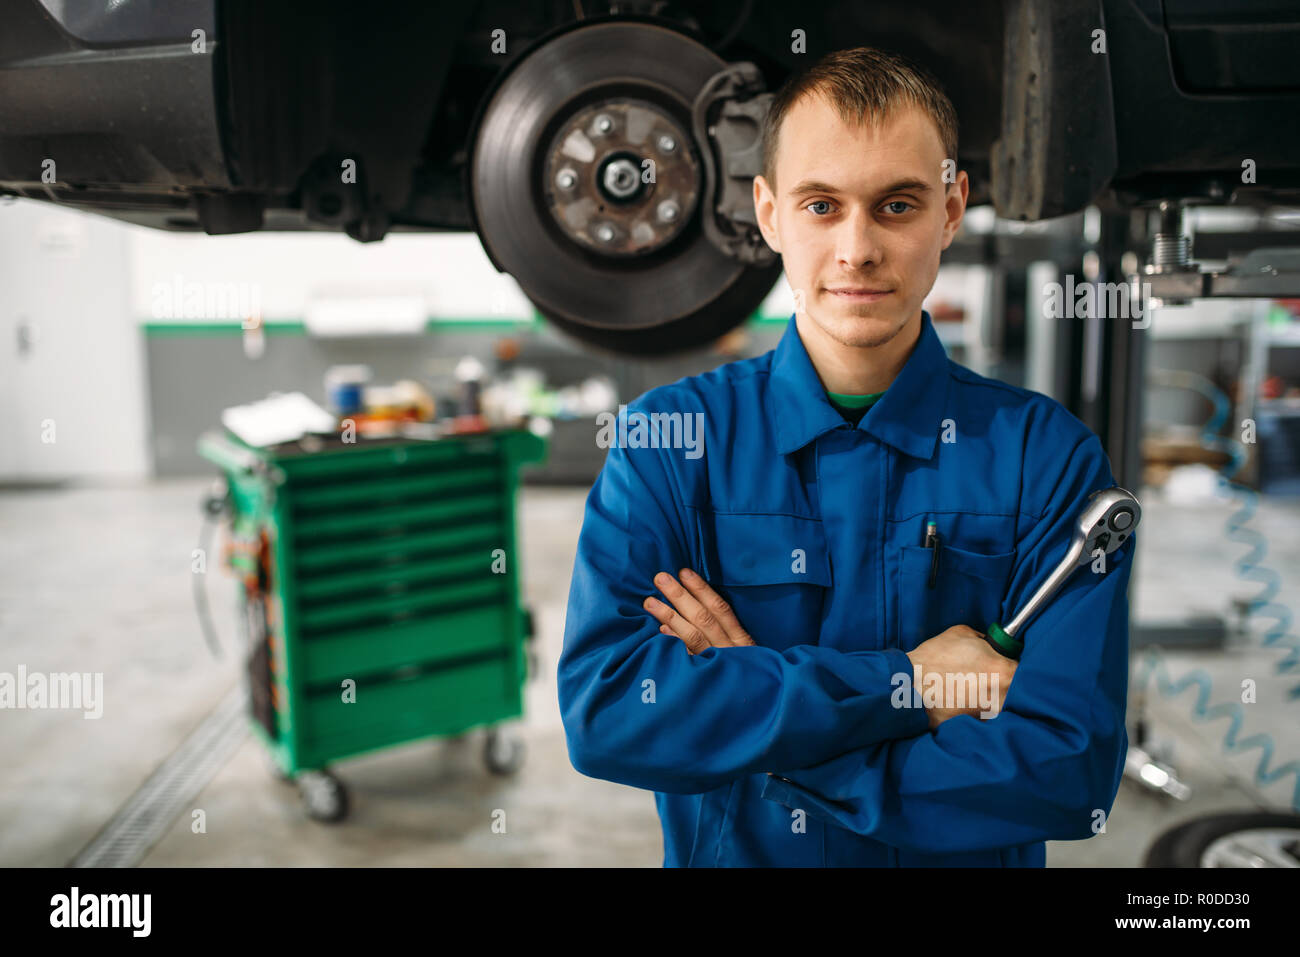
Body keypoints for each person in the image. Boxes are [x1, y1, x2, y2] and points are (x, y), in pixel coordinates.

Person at [557, 46, 1133, 867]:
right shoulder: (668, 444)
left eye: (896, 205)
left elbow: (1065, 768)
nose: (857, 249)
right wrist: (913, 683)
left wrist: (773, 729)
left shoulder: (1045, 457)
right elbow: (609, 710)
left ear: (952, 206)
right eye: (822, 205)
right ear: (767, 212)